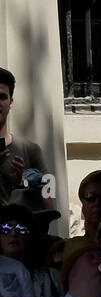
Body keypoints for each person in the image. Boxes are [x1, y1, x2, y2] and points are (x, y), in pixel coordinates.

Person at [0, 68, 56, 213]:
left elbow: (50, 207)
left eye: (2, 97)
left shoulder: (31, 150)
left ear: (11, 102)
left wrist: (23, 183)